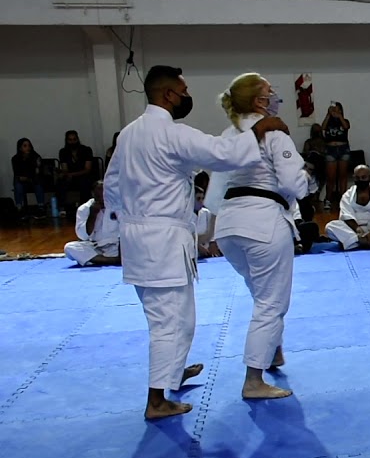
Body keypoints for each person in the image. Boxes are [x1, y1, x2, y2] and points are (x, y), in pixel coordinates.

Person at [103, 64, 289, 419]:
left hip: (139, 238)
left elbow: (112, 185)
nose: (188, 96)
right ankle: (156, 400)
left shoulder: (128, 134)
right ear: (169, 95)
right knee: (168, 322)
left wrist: (126, 222)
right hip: (163, 239)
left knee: (179, 318)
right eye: (184, 91)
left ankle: (171, 373)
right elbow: (223, 153)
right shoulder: (172, 134)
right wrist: (260, 130)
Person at [209, 73, 314, 399]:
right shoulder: (275, 133)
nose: (275, 98)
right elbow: (290, 184)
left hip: (228, 227)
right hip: (263, 223)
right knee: (271, 302)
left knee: (262, 294)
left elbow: (212, 194)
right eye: (270, 93)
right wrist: (308, 178)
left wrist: (209, 233)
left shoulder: (229, 135)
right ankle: (253, 380)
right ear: (259, 101)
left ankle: (273, 350)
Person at [325, 165, 370, 250]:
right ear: (354, 178)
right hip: (354, 230)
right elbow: (346, 216)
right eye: (357, 178)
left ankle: (355, 242)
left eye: (363, 177)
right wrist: (358, 230)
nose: (360, 180)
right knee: (330, 227)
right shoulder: (347, 195)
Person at [64, 180, 120, 267]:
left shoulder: (118, 207)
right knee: (70, 247)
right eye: (98, 195)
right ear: (93, 194)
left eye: (104, 193)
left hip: (117, 247)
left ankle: (97, 260)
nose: (101, 197)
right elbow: (82, 236)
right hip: (95, 247)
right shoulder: (84, 209)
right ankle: (110, 260)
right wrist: (92, 215)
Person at [57, 130, 95, 214]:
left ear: (77, 139)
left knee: (85, 181)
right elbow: (65, 168)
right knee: (61, 182)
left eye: (74, 139)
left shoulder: (86, 150)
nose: (72, 142)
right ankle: (62, 207)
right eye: (70, 140)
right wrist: (65, 174)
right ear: (66, 141)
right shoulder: (63, 152)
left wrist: (72, 174)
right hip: (70, 176)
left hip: (84, 175)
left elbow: (87, 169)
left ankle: (85, 207)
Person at [321, 102, 352, 207]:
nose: (336, 112)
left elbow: (346, 127)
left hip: (343, 149)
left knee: (343, 176)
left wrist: (339, 117)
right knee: (331, 177)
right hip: (331, 150)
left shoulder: (344, 120)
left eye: (338, 110)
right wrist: (328, 115)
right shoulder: (328, 122)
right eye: (334, 110)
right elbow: (323, 128)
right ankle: (328, 199)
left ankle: (343, 201)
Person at [11, 138, 47, 216]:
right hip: (23, 181)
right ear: (20, 148)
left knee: (38, 182)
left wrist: (29, 176)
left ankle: (41, 207)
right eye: (25, 146)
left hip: (34, 180)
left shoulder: (35, 156)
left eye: (29, 145)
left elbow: (38, 172)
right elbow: (18, 173)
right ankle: (19, 208)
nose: (28, 148)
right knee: (17, 183)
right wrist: (29, 175)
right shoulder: (15, 159)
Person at [192, 173, 219, 258]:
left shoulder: (207, 213)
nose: (201, 201)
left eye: (203, 198)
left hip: (206, 254)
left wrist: (212, 242)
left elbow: (212, 233)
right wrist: (198, 247)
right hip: (192, 252)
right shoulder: (185, 216)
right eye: (198, 199)